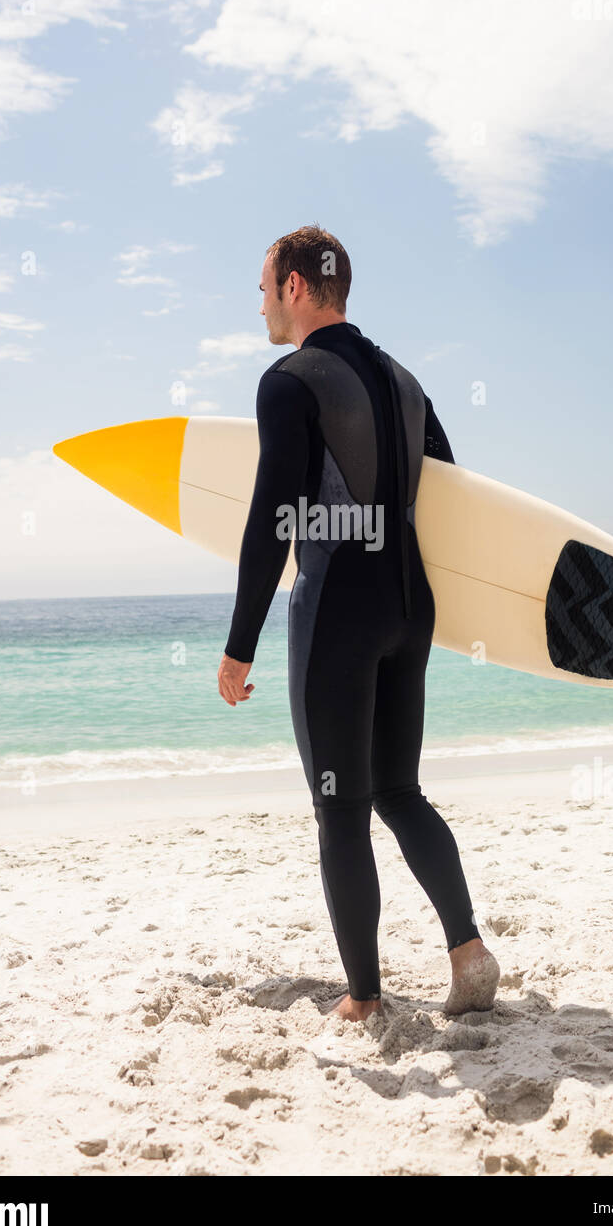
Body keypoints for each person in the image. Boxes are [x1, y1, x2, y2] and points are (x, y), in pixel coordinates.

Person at [217, 225, 500, 1023]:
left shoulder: (290, 381)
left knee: (339, 807)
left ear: (298, 287)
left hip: (337, 609)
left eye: (265, 286)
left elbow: (274, 518)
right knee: (399, 790)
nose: (261, 302)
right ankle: (468, 953)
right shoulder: (408, 381)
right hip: (410, 609)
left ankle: (366, 1001)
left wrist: (239, 645)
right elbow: (447, 492)